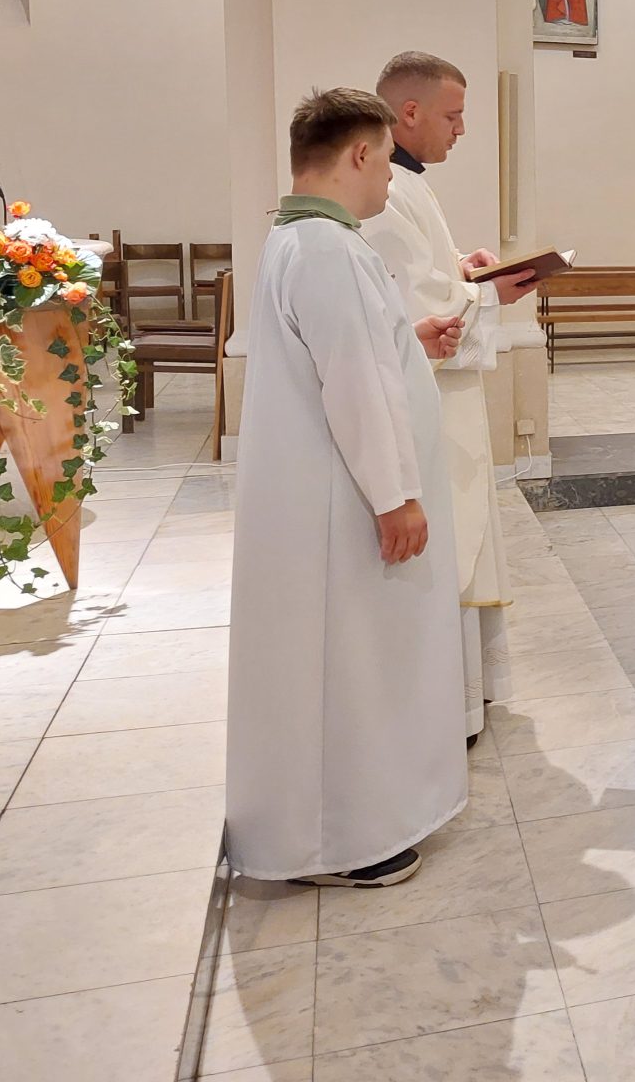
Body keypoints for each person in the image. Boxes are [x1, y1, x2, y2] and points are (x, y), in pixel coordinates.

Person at [227, 88, 470, 889]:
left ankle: (335, 827)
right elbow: (358, 387)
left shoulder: (298, 239)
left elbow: (362, 356)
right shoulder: (328, 249)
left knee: (340, 665)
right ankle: (347, 840)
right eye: (384, 168)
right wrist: (397, 496)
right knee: (354, 667)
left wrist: (413, 340)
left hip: (325, 496)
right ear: (362, 154)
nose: (388, 186)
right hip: (346, 505)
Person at [364, 52, 539, 746]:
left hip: (448, 402)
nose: (462, 129)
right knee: (449, 537)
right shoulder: (388, 189)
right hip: (425, 404)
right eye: (453, 114)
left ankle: (468, 695)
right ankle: (450, 704)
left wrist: (465, 274)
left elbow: (430, 279)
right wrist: (487, 293)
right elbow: (415, 310)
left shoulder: (409, 182)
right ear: (409, 113)